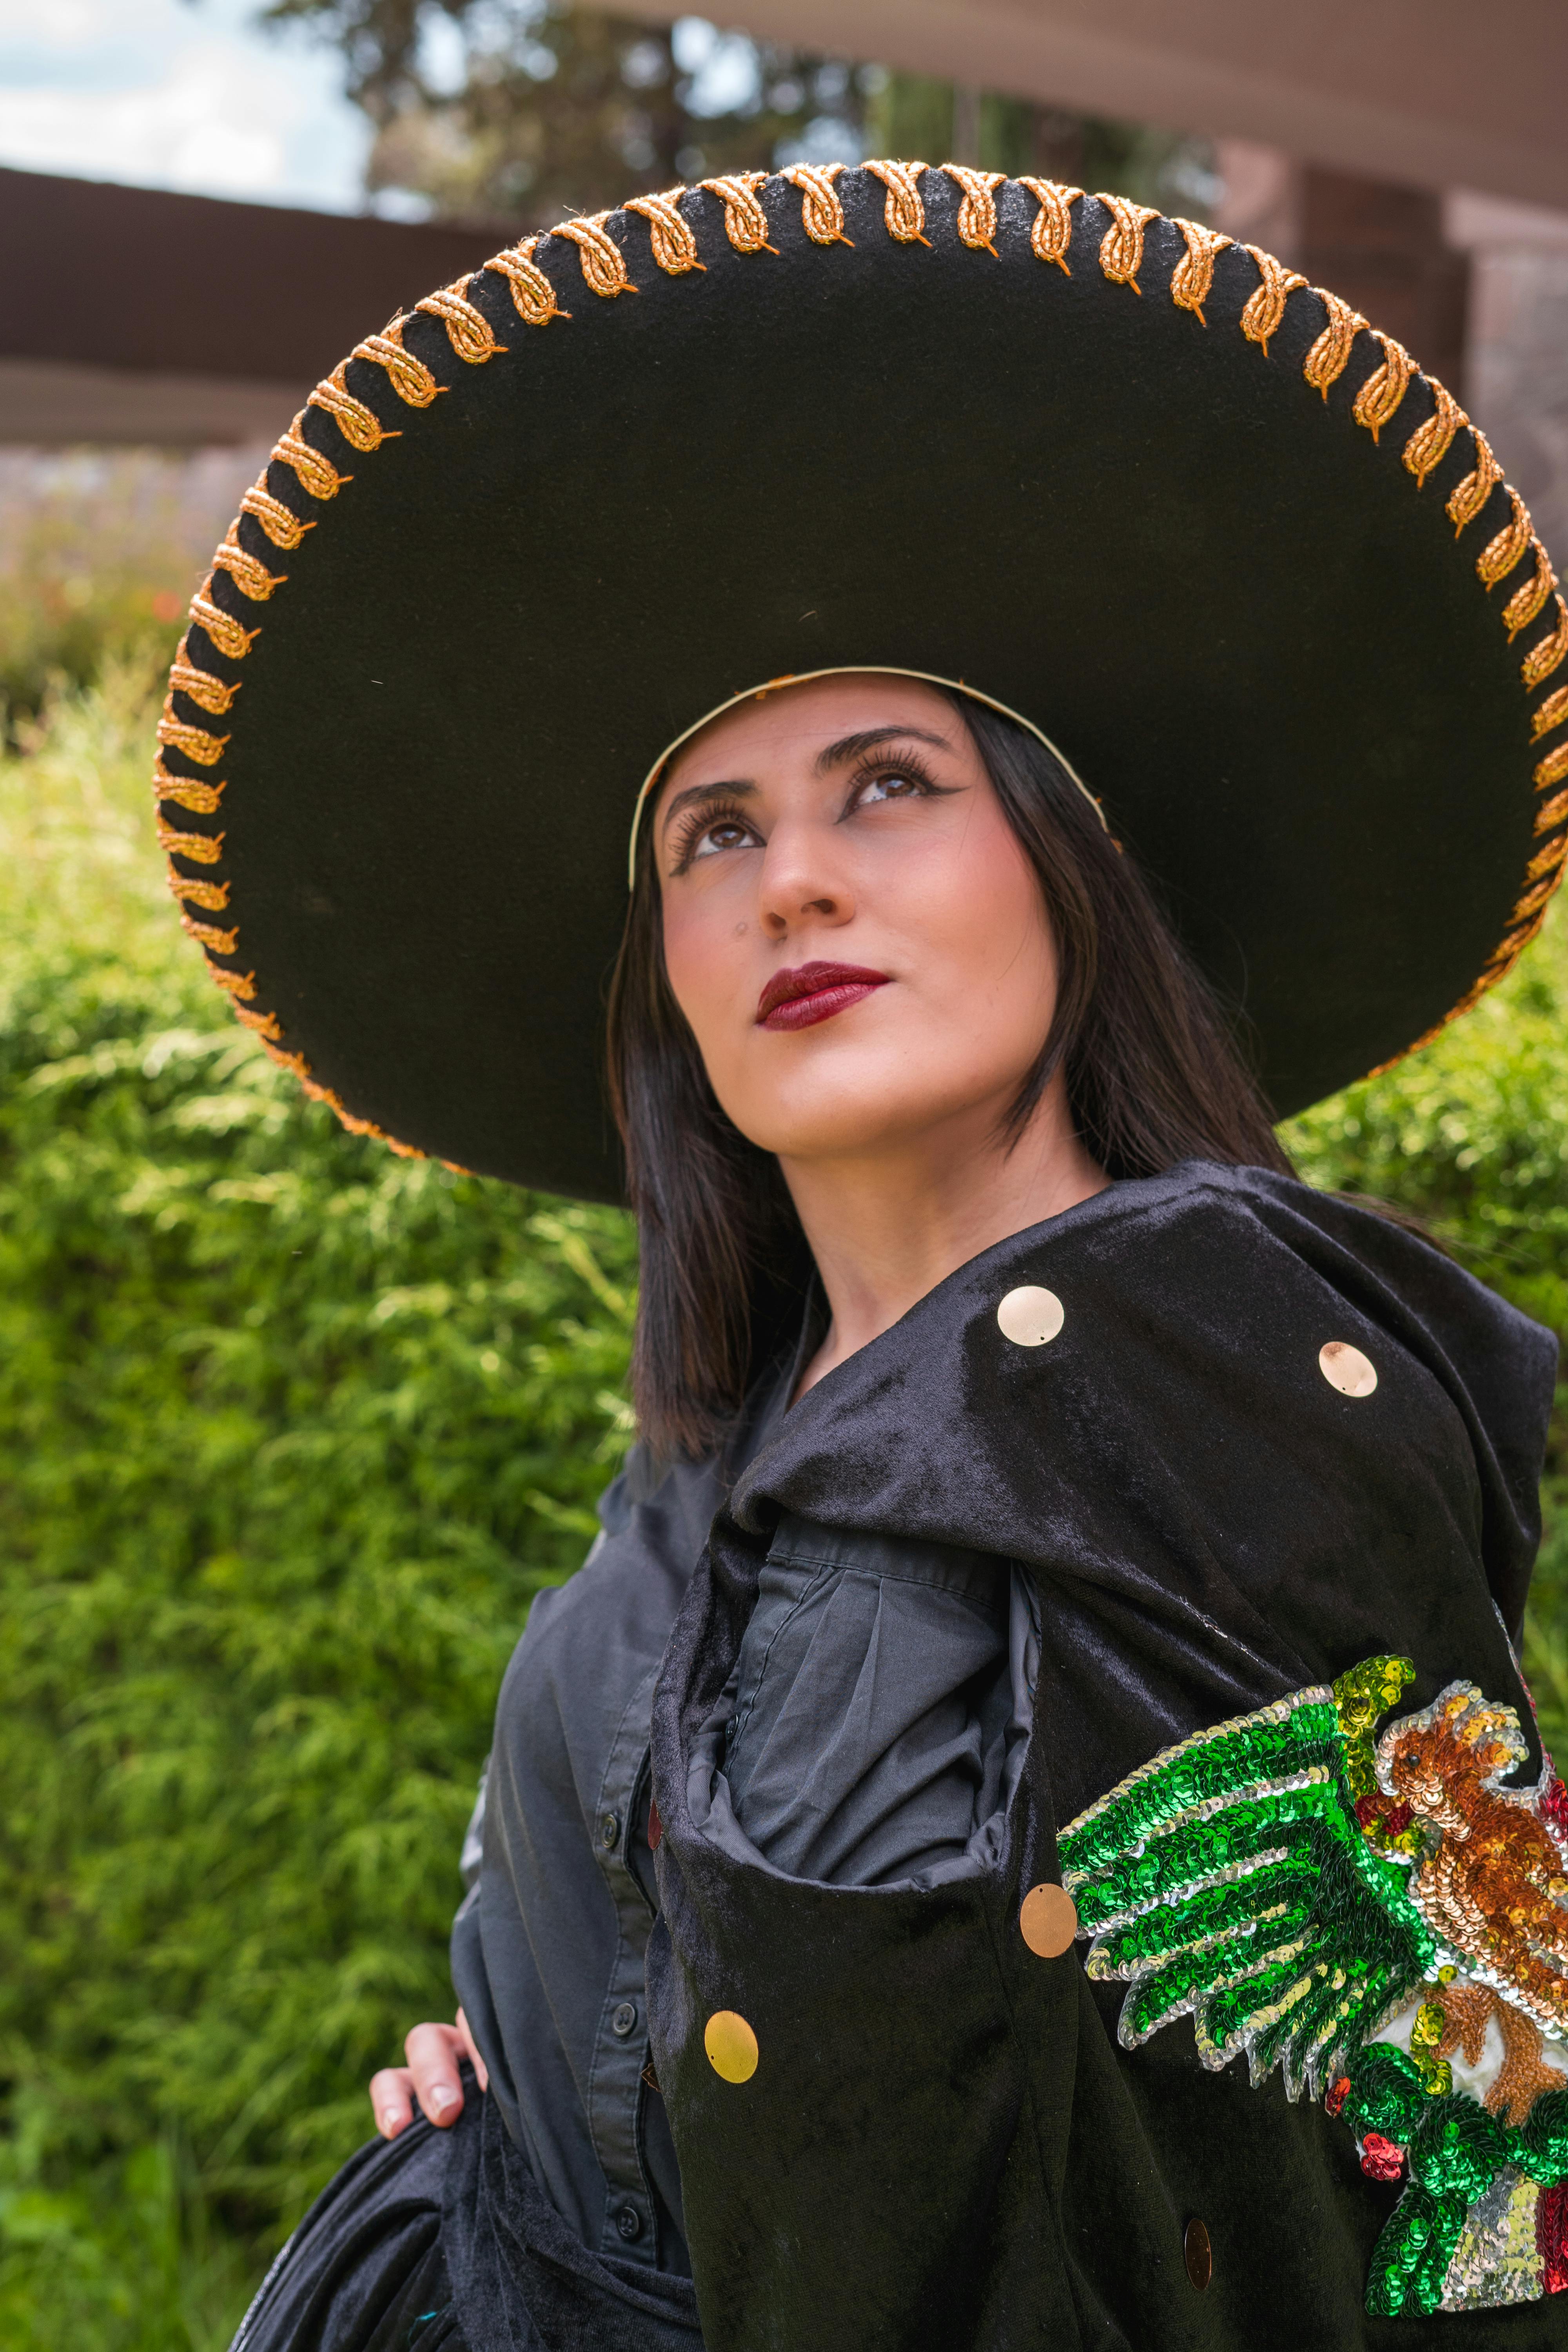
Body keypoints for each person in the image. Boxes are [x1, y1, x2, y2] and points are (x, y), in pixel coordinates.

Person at [150, 162, 1568, 2350]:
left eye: (888, 784)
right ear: (672, 980)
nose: (794, 881)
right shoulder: (721, 1441)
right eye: (717, 836)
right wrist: (528, 2102)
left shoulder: (1236, 1404)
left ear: (1069, 873)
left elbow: (1458, 2195)